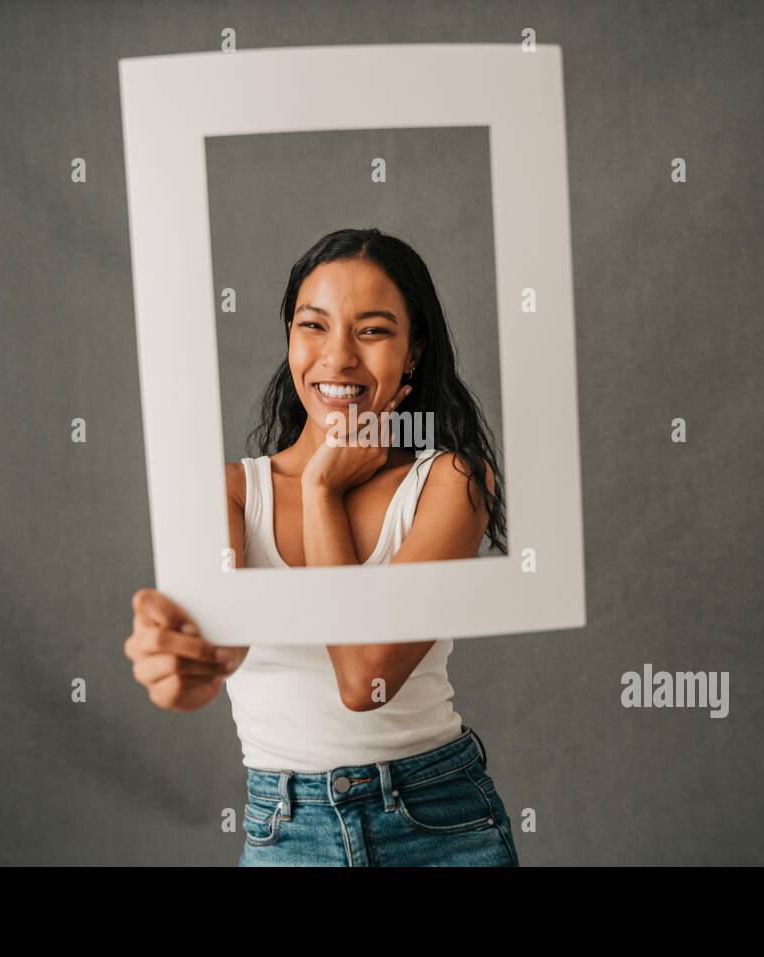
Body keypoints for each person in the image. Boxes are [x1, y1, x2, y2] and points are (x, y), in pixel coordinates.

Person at [124, 227, 517, 866]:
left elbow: (366, 679)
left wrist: (320, 491)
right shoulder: (229, 491)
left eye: (373, 330)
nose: (337, 358)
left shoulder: (450, 481)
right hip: (288, 832)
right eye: (313, 326)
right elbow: (217, 646)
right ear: (289, 339)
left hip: (439, 823)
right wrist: (180, 666)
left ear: (413, 352)